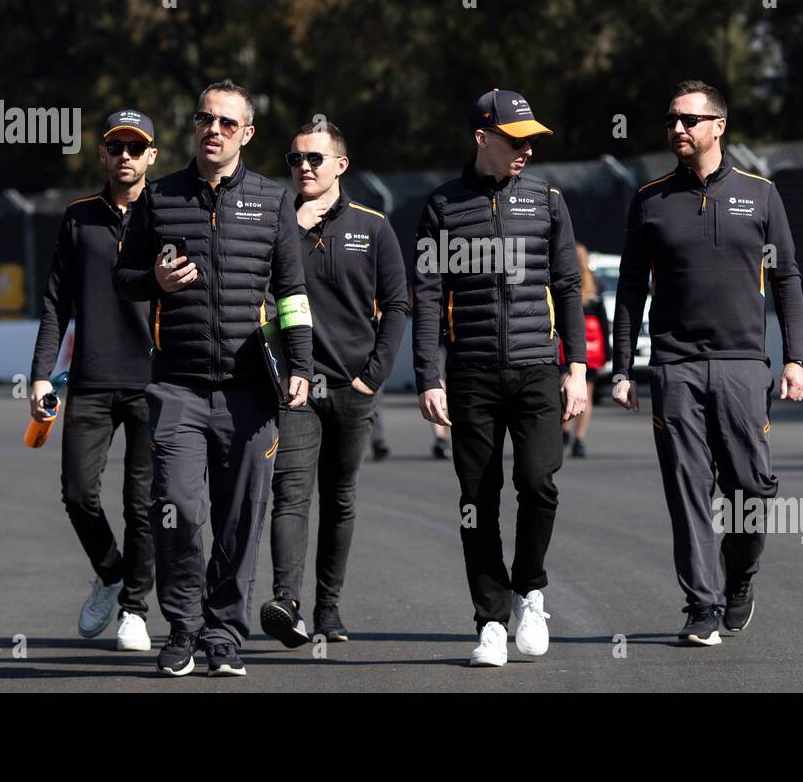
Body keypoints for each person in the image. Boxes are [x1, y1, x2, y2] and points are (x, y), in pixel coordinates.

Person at [113, 79, 313, 677]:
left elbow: (292, 294)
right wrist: (156, 281)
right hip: (176, 385)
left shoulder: (274, 201)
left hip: (252, 389)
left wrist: (300, 366)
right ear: (194, 126)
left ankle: (224, 635)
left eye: (228, 122)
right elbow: (124, 278)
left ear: (246, 134)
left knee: (239, 516)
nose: (214, 130)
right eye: (205, 119)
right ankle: (182, 627)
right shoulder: (161, 197)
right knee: (176, 505)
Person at [612, 79, 803, 647]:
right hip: (674, 365)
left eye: (690, 120)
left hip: (745, 363)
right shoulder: (649, 199)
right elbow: (629, 288)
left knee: (753, 487)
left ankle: (739, 577)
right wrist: (624, 367)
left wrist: (795, 357)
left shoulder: (761, 194)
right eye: (672, 118)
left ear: (718, 125)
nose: (678, 128)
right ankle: (701, 606)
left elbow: (788, 277)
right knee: (687, 488)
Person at [412, 88, 588, 667]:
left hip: (538, 368)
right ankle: (489, 621)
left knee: (539, 484)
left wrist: (578, 369)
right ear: (482, 137)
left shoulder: (547, 201)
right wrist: (428, 377)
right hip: (472, 375)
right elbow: (429, 296)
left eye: (533, 140)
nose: (527, 151)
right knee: (477, 500)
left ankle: (529, 591)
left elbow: (567, 286)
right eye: (517, 140)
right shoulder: (442, 204)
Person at [259, 120, 409, 647]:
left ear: (340, 165)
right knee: (291, 493)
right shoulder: (273, 225)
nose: (303, 166)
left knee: (339, 498)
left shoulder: (373, 226)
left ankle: (329, 609)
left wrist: (373, 376)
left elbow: (397, 306)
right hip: (296, 389)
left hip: (354, 389)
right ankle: (286, 603)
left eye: (315, 159)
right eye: (295, 158)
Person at [29, 108, 158, 652]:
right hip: (92, 378)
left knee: (143, 503)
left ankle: (134, 608)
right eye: (115, 147)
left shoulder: (170, 209)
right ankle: (111, 575)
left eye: (135, 147)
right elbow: (56, 301)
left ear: (152, 155)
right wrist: (40, 376)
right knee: (78, 493)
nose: (124, 156)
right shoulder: (79, 216)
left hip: (157, 379)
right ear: (103, 154)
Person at [561, 243, 610, 458]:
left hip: (566, 349)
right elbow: (604, 323)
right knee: (586, 395)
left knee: (564, 391)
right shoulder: (595, 288)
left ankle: (564, 432)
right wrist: (608, 353)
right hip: (591, 351)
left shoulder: (563, 285)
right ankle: (579, 438)